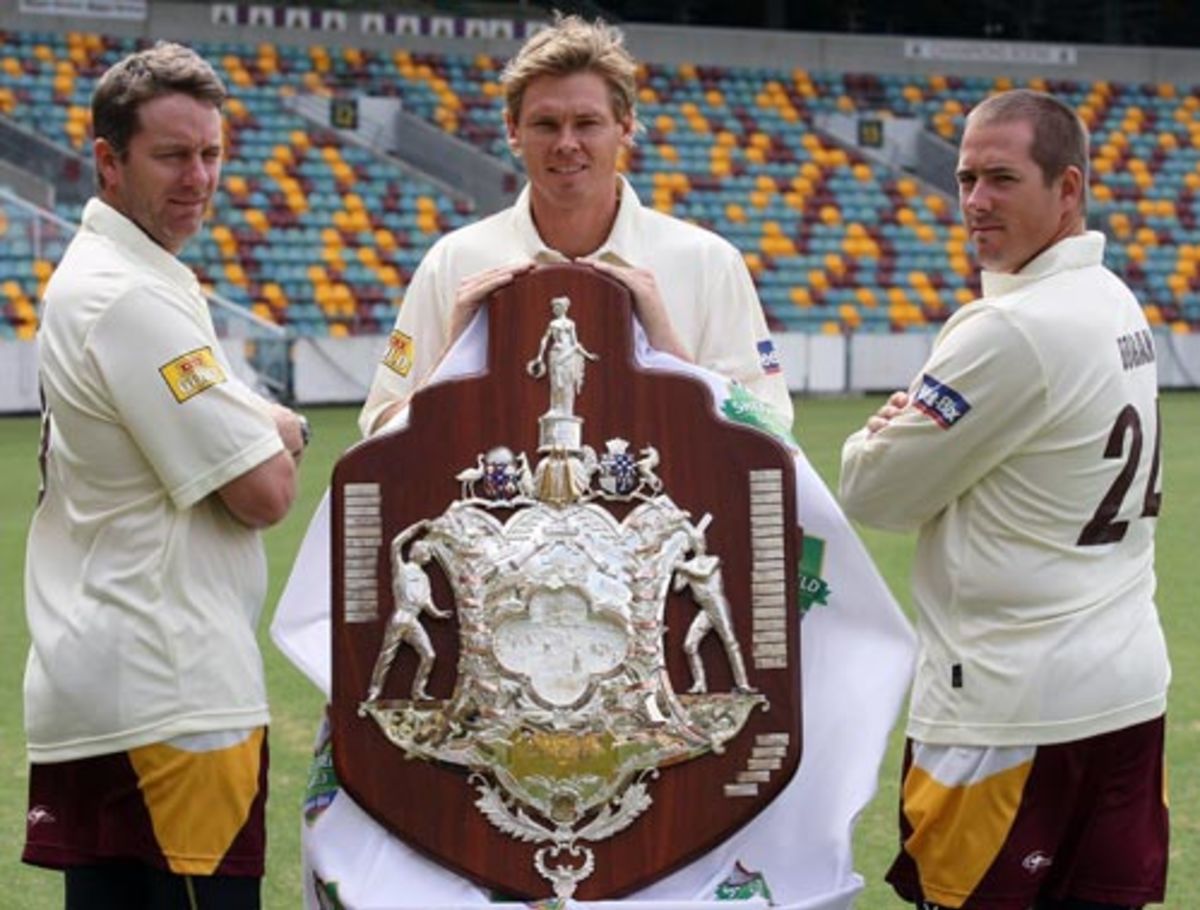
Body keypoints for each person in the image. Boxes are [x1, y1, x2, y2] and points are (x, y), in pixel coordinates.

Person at [839, 89, 1170, 909]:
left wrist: (870, 439)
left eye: (1002, 179)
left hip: (1009, 712)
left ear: (1068, 188)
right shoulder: (1115, 299)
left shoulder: (1011, 327)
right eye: (966, 179)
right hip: (1127, 690)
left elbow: (873, 491)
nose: (976, 201)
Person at [22, 42, 307, 909]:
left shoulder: (111, 277)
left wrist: (253, 422)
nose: (199, 178)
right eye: (173, 155)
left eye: (211, 153)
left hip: (105, 677)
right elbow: (264, 493)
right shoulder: (130, 294)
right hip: (174, 696)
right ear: (109, 162)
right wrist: (282, 428)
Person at [357, 12, 793, 438]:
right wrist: (454, 366)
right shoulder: (453, 263)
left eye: (587, 123)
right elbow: (379, 430)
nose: (566, 143)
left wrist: (671, 361)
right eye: (546, 124)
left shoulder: (709, 263)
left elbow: (771, 431)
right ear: (513, 130)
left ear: (625, 126)